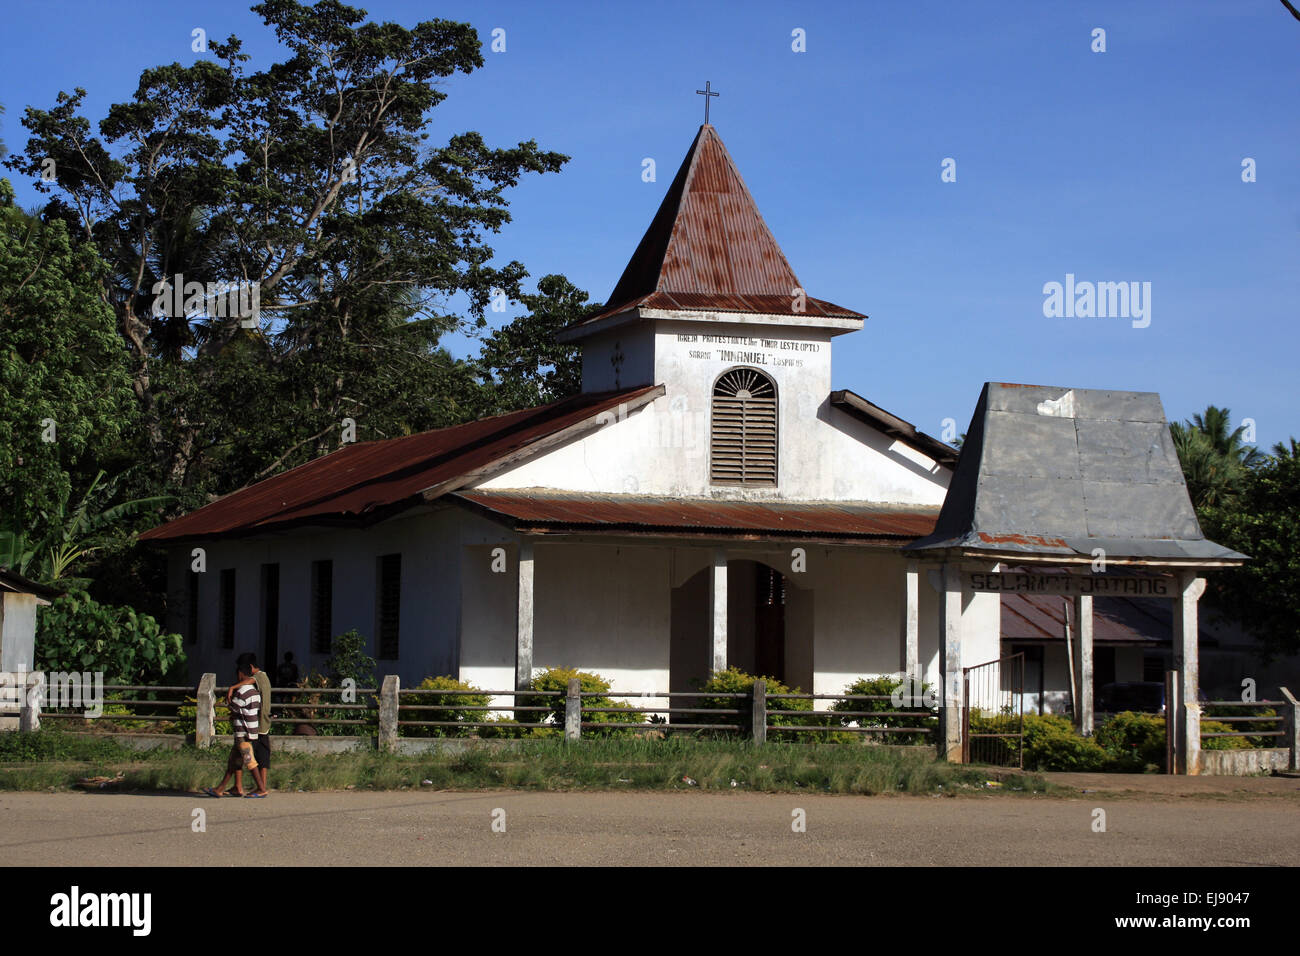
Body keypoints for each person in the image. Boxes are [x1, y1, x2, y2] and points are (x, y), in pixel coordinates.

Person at [205, 663, 266, 798]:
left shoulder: (242, 691)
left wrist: (228, 701)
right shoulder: (255, 691)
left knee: (249, 759)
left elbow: (234, 708)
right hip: (251, 730)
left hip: (242, 732)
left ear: (240, 674)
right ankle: (222, 788)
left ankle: (261, 788)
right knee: (234, 761)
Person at [234, 652, 273, 792]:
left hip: (255, 725)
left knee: (248, 756)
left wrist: (233, 688)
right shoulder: (264, 677)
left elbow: (248, 682)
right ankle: (257, 785)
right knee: (260, 755)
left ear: (250, 667)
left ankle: (259, 787)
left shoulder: (258, 677)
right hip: (263, 723)